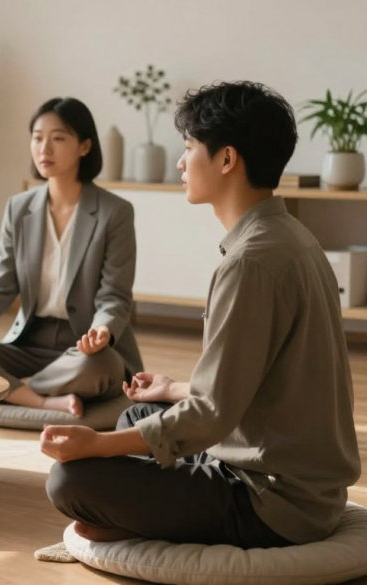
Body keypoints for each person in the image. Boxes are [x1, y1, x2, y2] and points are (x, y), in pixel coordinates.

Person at [43, 81, 361, 547]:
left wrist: (97, 444)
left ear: (227, 159)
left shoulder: (250, 262)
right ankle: (138, 513)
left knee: (69, 481)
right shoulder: (292, 236)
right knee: (139, 415)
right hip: (303, 483)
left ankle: (137, 519)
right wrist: (172, 388)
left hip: (270, 502)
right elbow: (258, 383)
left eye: (189, 147)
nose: (180, 161)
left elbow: (212, 414)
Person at [0, 97, 142, 418]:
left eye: (58, 138)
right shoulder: (19, 208)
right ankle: (42, 397)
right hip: (27, 342)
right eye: (37, 137)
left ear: (85, 146)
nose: (44, 148)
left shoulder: (114, 212)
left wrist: (102, 332)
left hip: (84, 348)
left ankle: (14, 388)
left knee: (103, 365)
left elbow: (114, 296)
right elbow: (0, 288)